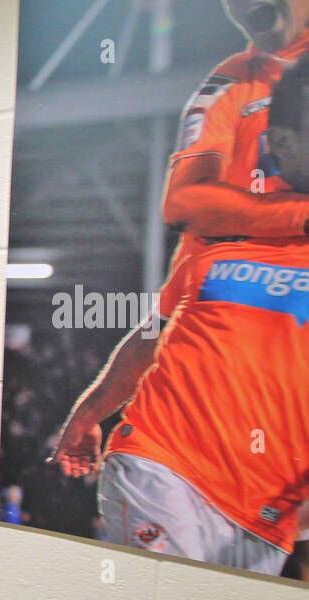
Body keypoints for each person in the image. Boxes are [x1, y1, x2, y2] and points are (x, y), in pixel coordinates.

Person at [52, 57, 309, 573]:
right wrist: (91, 410)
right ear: (280, 141)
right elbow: (158, 330)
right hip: (163, 464)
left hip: (268, 512)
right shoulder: (223, 221)